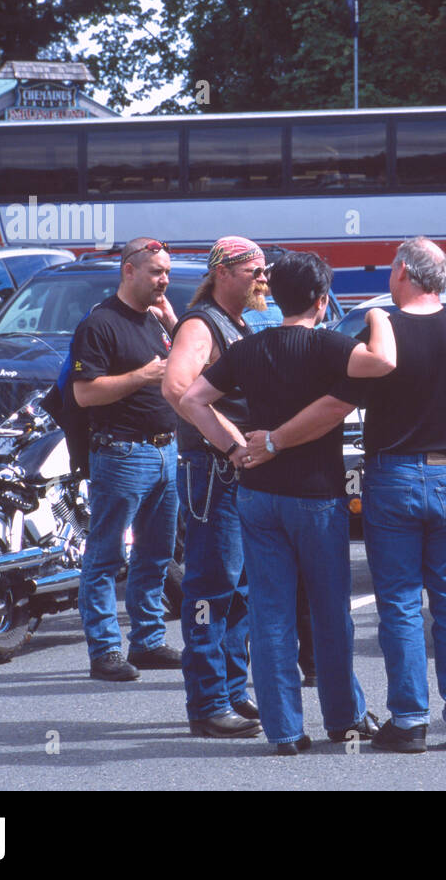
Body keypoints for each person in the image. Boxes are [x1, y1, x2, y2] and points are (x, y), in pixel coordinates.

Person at [180, 252, 395, 755]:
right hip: (317, 495)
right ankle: (343, 720)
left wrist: (234, 449)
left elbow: (191, 400)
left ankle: (284, 730)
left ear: (273, 297)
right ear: (322, 300)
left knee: (270, 614)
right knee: (328, 612)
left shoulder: (248, 348)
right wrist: (378, 314)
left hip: (256, 493)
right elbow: (383, 360)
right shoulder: (329, 346)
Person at [346, 238, 446, 753]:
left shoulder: (381, 328)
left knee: (398, 603)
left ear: (402, 275)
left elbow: (346, 392)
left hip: (392, 475)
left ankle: (409, 722)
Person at [161, 236, 266, 737]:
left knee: (239, 587)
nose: (263, 279)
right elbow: (178, 388)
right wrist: (230, 444)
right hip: (212, 470)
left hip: (232, 471)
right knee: (209, 585)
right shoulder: (201, 324)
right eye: (255, 271)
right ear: (224, 272)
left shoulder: (236, 322)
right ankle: (206, 705)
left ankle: (230, 691)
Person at [70, 237, 181, 681]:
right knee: (105, 556)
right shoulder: (99, 324)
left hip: (164, 450)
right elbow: (84, 393)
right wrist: (142, 376)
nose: (164, 280)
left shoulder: (156, 321)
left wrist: (173, 320)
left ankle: (149, 641)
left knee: (155, 555)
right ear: (129, 271)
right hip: (122, 452)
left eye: (167, 272)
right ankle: (105, 651)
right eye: (157, 272)